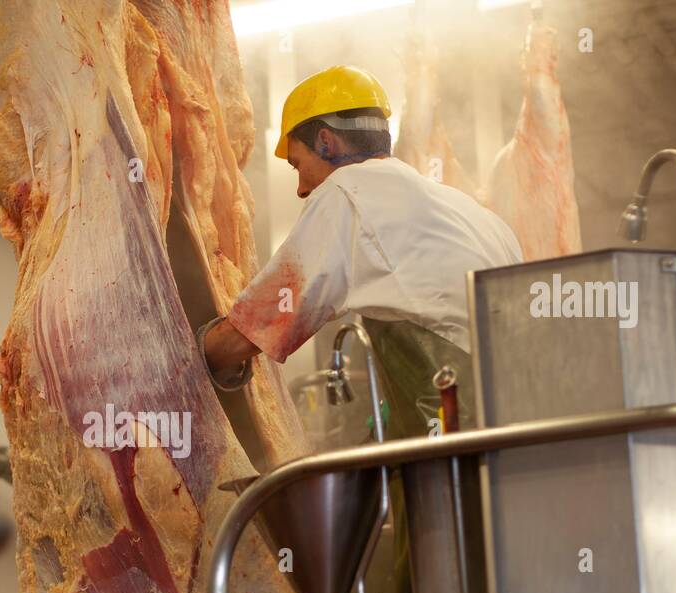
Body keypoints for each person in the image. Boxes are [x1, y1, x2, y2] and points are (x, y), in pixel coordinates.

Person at [201, 64, 522, 427]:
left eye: (297, 165)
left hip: (457, 424)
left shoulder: (346, 193)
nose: (301, 189)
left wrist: (187, 358)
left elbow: (254, 328)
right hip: (525, 418)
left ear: (326, 142)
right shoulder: (470, 210)